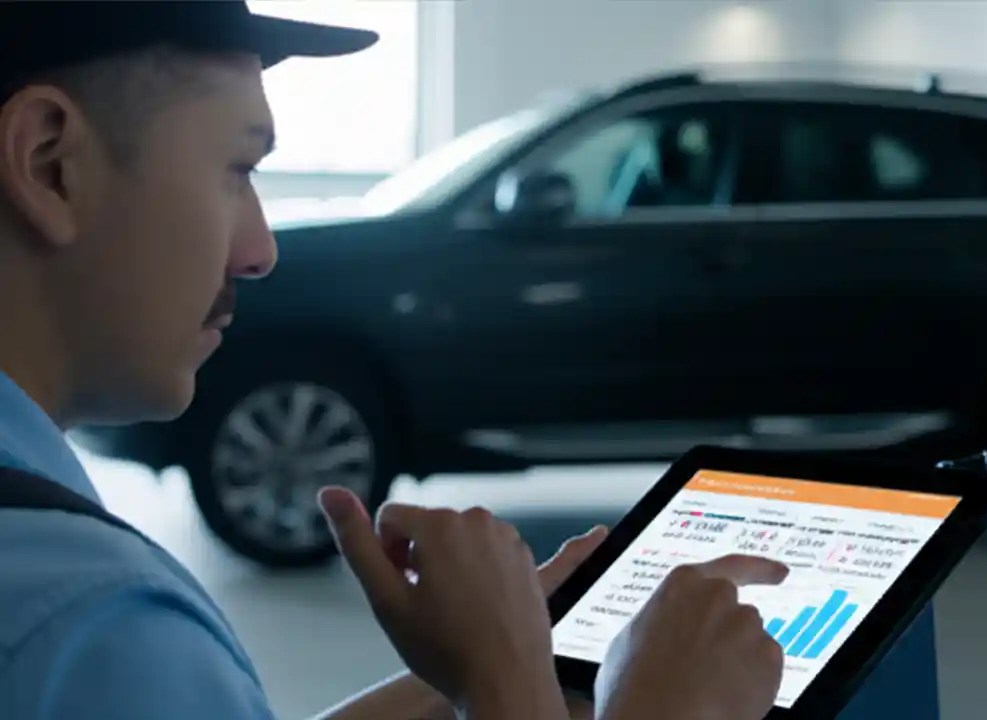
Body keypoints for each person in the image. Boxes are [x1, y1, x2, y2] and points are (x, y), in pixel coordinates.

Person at [0, 3, 789, 719]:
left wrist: (508, 652)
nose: (260, 250)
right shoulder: (93, 628)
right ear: (49, 164)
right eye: (237, 170)